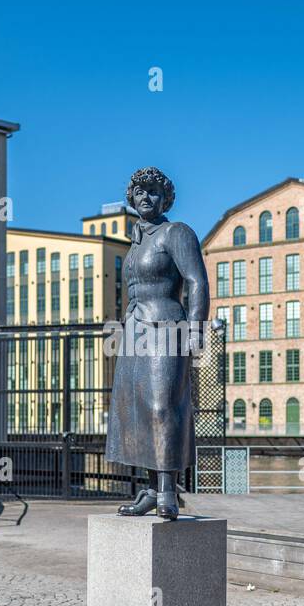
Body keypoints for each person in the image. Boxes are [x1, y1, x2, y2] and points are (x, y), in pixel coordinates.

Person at [104, 167, 209, 520]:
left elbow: (196, 281)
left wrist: (195, 330)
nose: (145, 197)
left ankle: (168, 490)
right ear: (130, 198)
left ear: (166, 199)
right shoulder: (135, 244)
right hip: (134, 330)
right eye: (139, 192)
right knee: (136, 411)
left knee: (165, 405)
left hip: (167, 327)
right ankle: (150, 489)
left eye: (153, 191)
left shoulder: (175, 233)